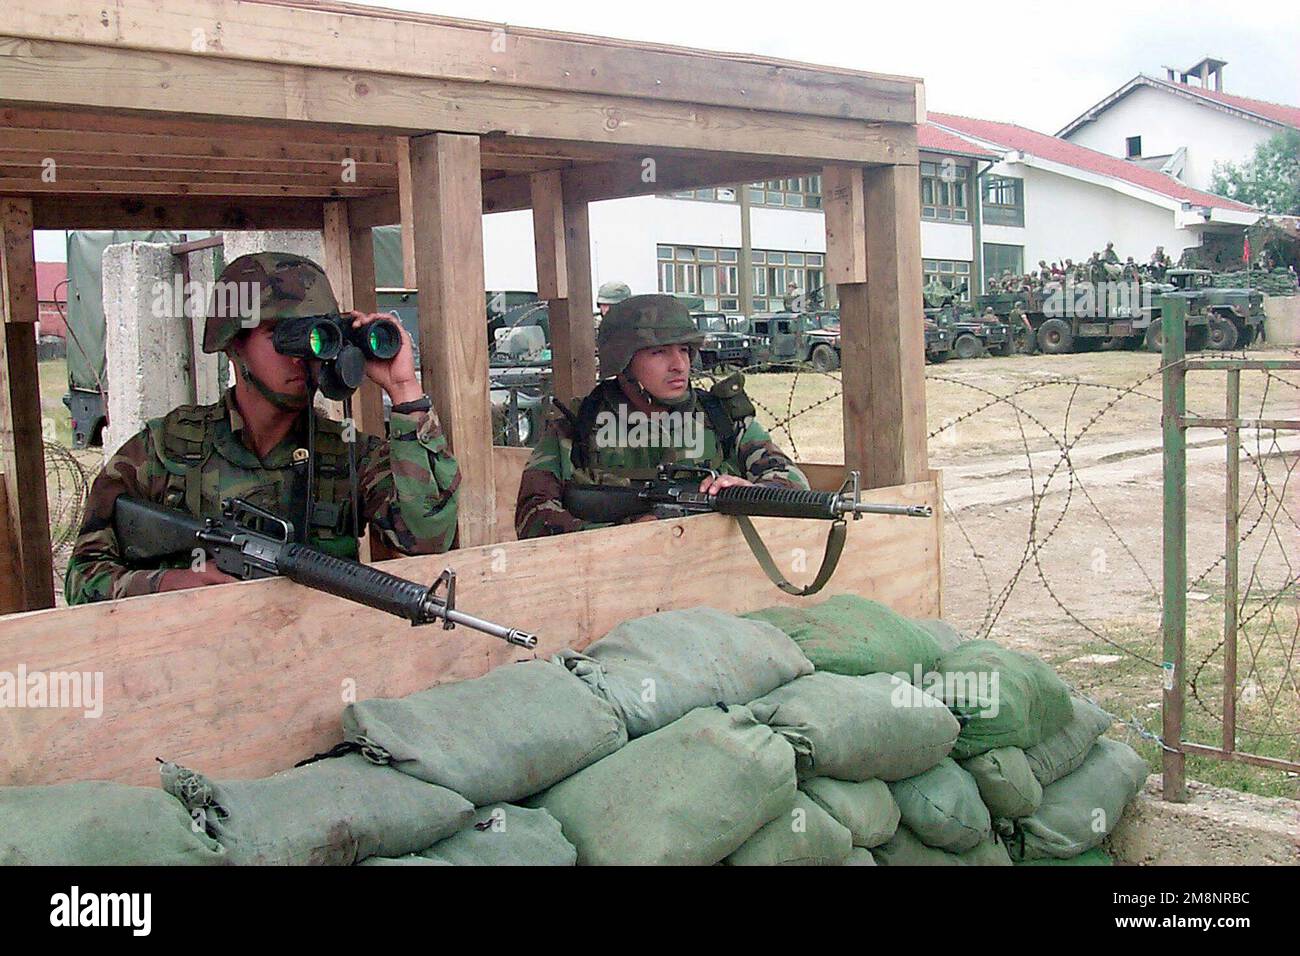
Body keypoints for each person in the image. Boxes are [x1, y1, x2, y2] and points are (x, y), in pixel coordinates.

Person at [65, 252, 460, 603]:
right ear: (234, 345)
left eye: (316, 335)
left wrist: (404, 390)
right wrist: (167, 584)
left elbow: (428, 539)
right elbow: (83, 578)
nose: (301, 357)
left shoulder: (349, 455)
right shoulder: (163, 450)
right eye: (280, 336)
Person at [515, 294, 808, 538]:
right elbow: (533, 517)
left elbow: (791, 481)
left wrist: (753, 493)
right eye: (659, 353)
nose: (679, 365)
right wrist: (625, 536)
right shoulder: (578, 425)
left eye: (684, 350)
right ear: (624, 361)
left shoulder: (722, 417)